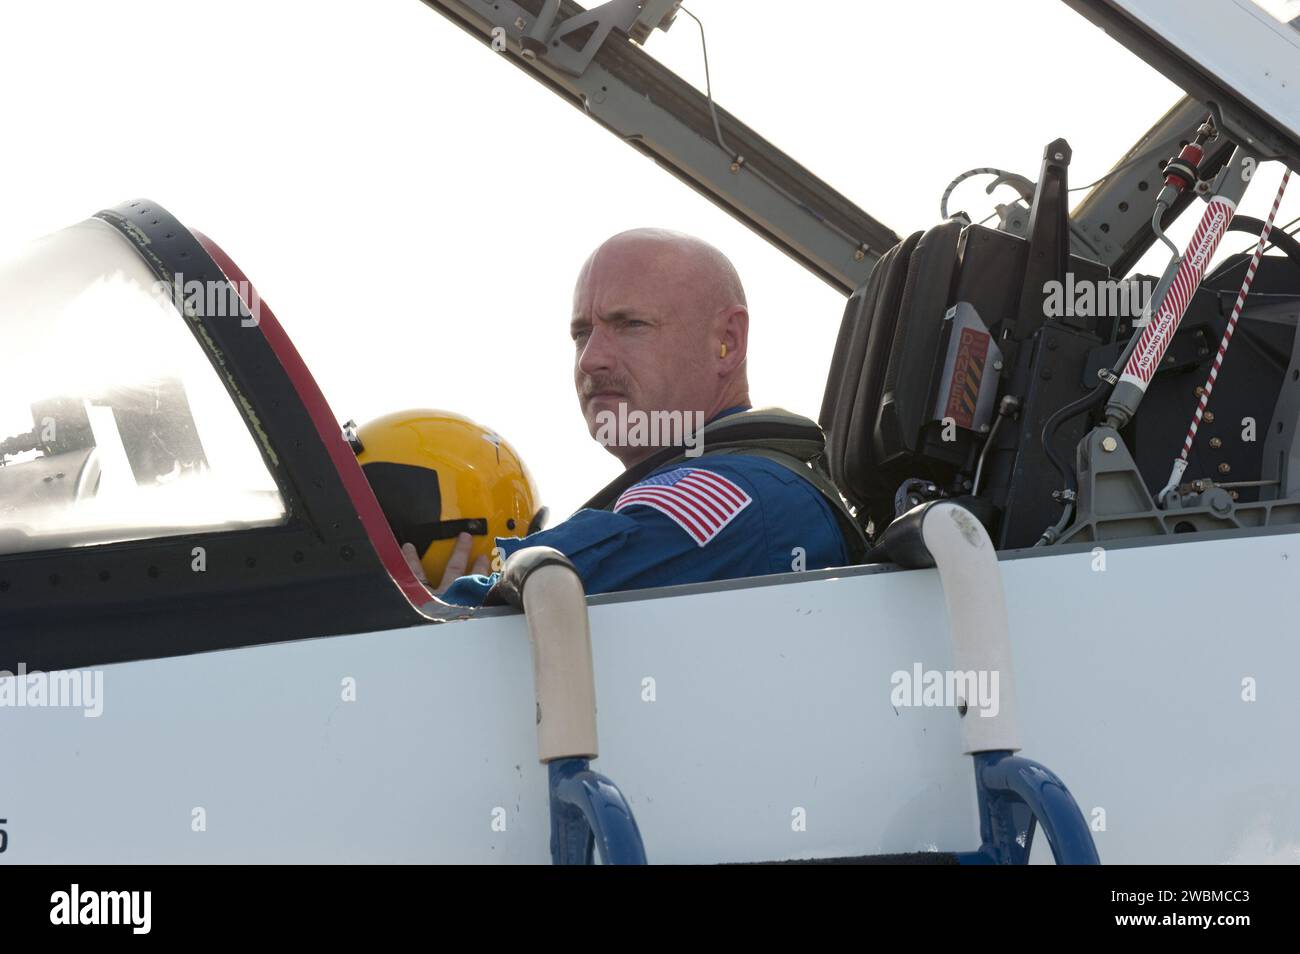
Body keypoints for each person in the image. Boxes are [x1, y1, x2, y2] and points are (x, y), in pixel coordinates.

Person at [429, 228, 857, 607]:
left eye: (631, 324)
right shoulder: (753, 492)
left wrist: (430, 605)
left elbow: (521, 594)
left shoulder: (732, 500)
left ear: (727, 341)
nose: (591, 360)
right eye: (582, 333)